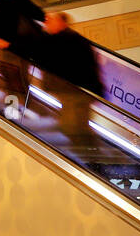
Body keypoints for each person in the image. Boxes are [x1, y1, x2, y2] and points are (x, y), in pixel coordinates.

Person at [39, 12, 102, 143]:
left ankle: (88, 156)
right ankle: (87, 155)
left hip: (76, 91)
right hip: (75, 91)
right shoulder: (70, 39)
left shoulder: (68, 40)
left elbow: (57, 64)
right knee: (75, 126)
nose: (46, 23)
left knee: (74, 127)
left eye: (50, 20)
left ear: (62, 23)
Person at [0, 0, 44, 104]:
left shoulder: (2, 0)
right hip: (15, 48)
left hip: (12, 49)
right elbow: (35, 11)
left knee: (15, 82)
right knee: (17, 81)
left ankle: (18, 113)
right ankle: (19, 111)